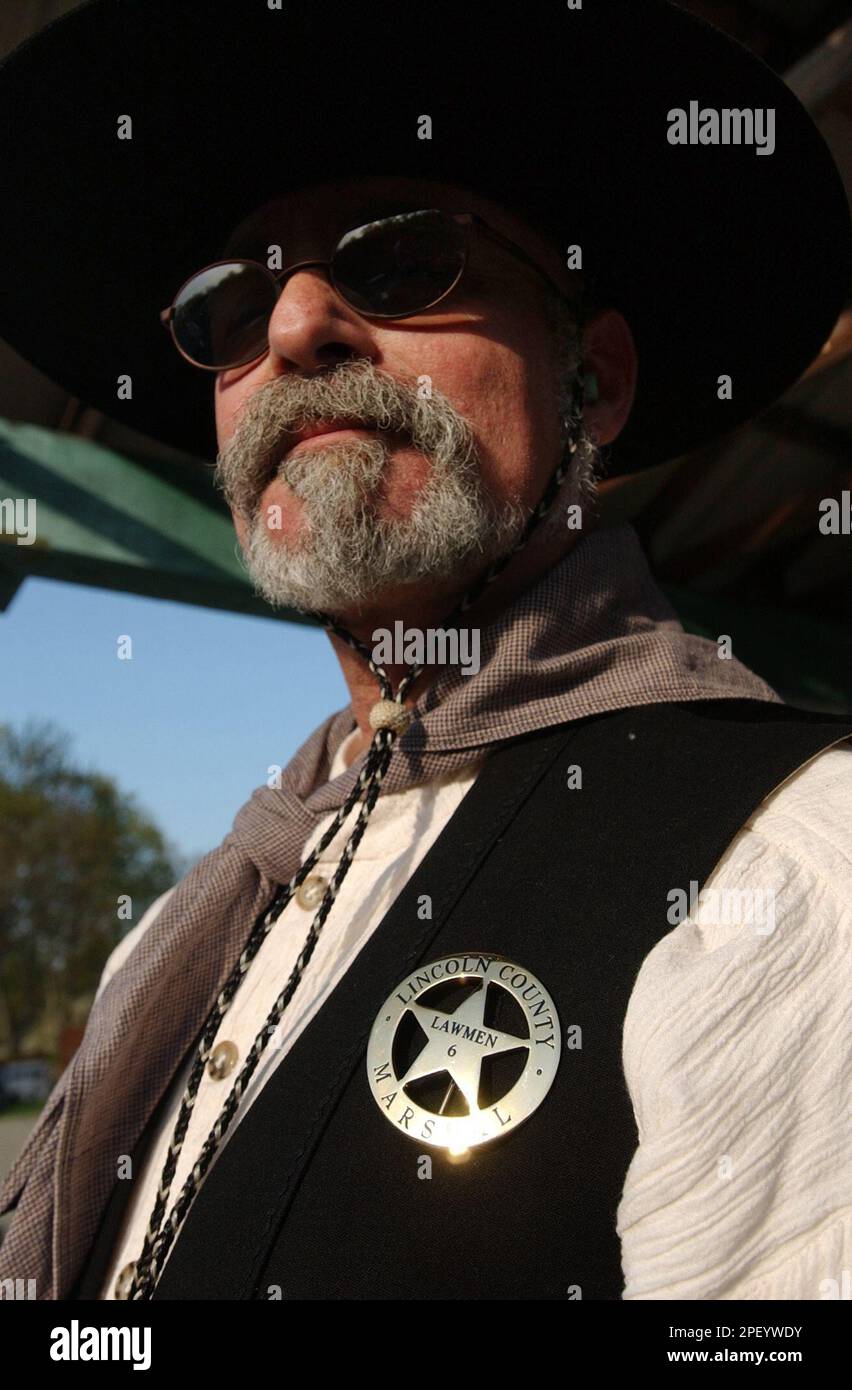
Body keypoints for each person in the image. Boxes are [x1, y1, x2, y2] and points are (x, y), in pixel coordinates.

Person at [0, 0, 850, 1302]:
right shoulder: (189, 923)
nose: (292, 330)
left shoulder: (789, 860)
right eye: (228, 303)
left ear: (596, 384)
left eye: (399, 262)